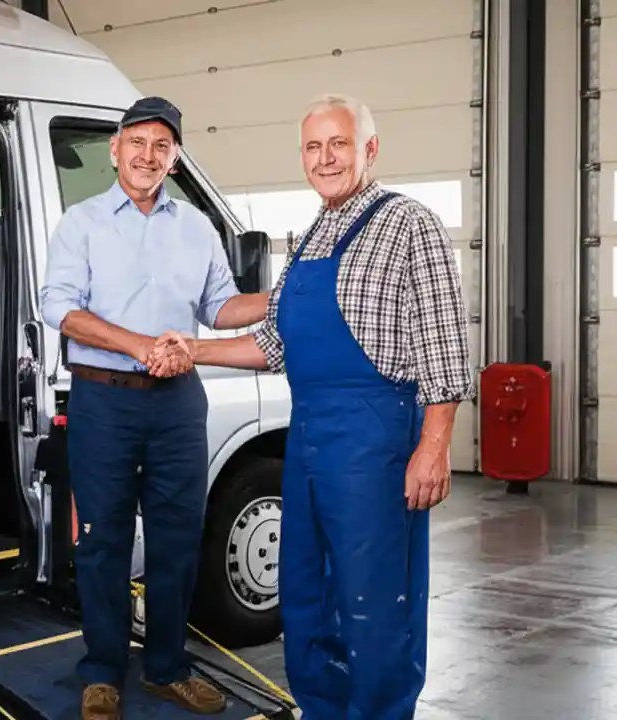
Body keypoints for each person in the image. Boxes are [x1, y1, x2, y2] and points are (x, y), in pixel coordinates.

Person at [162, 93, 475, 719]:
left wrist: (433, 448)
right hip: (307, 440)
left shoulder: (410, 224)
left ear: (369, 150)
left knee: (374, 602)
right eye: (313, 146)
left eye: (339, 144)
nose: (325, 158)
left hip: (375, 442)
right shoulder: (308, 239)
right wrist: (192, 348)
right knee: (305, 596)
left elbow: (446, 348)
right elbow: (274, 342)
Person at [38, 96, 268, 719]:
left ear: (174, 157)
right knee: (103, 542)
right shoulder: (81, 223)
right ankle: (103, 672)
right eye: (137, 143)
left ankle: (167, 666)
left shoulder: (195, 226)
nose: (148, 156)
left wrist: (281, 297)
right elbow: (58, 307)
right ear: (115, 150)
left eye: (161, 146)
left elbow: (220, 306)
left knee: (177, 541)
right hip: (103, 401)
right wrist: (138, 344)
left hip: (176, 405)